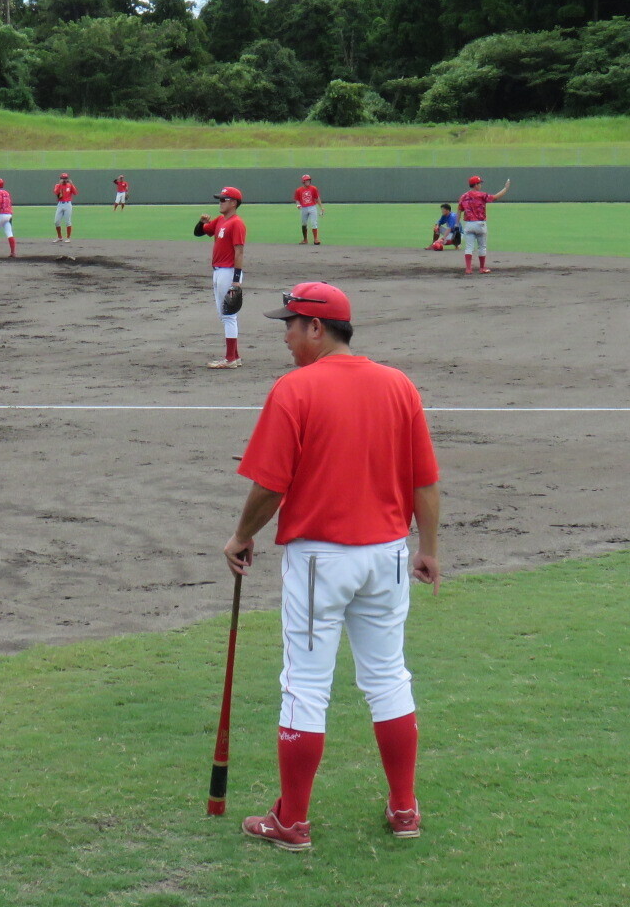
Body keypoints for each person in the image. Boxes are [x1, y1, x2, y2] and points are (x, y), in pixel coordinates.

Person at [223, 281, 441, 852]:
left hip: (321, 560)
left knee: (305, 685)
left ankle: (292, 821)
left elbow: (270, 486)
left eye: (290, 326)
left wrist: (242, 536)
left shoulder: (295, 389)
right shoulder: (398, 385)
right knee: (388, 678)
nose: (286, 337)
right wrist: (429, 548)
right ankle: (404, 809)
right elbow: (424, 480)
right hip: (389, 556)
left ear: (316, 328)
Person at [192, 186, 248, 369]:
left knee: (228, 315)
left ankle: (230, 359)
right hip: (218, 272)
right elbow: (199, 232)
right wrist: (201, 222)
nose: (220, 202)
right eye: (220, 199)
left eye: (224, 199)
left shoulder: (237, 223)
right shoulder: (220, 220)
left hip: (228, 272)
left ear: (233, 203)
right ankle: (235, 357)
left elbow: (239, 251)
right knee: (224, 315)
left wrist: (236, 280)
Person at [457, 175, 510, 274]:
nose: (480, 185)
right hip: (480, 224)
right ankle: (482, 268)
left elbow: (459, 210)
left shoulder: (464, 196)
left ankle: (468, 269)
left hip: (469, 224)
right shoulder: (481, 195)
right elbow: (495, 197)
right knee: (482, 247)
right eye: (479, 183)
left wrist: (457, 223)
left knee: (469, 247)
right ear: (476, 185)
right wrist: (505, 189)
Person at [294, 174, 324, 246]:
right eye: (306, 180)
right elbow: (297, 199)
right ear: (303, 181)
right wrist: (298, 205)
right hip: (303, 208)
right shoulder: (298, 190)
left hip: (312, 207)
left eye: (308, 180)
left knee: (314, 223)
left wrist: (321, 207)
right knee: (304, 223)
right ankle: (305, 239)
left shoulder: (313, 188)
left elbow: (317, 198)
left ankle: (316, 239)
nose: (308, 181)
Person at [53, 172, 79, 243]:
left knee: (68, 221)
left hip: (68, 204)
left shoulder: (69, 185)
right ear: (60, 179)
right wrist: (60, 184)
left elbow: (75, 193)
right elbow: (56, 192)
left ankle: (68, 238)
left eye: (65, 178)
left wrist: (72, 184)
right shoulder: (57, 185)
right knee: (56, 222)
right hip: (60, 204)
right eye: (63, 178)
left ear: (68, 179)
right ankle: (59, 237)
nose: (64, 180)